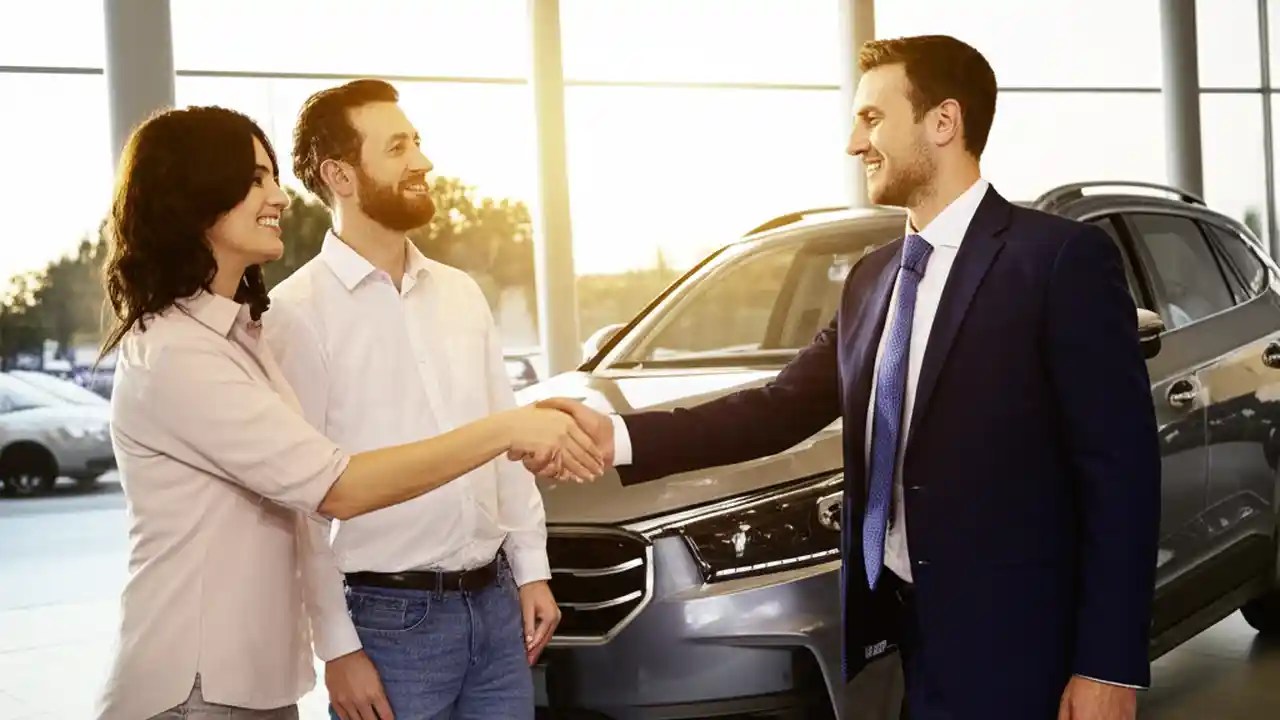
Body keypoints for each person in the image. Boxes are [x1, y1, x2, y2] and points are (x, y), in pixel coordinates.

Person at [532, 35, 1161, 720]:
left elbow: (1120, 476)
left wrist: (1107, 664)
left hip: (1022, 644)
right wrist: (616, 435)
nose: (854, 143)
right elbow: (776, 409)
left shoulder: (1059, 262)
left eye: (871, 119)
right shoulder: (872, 280)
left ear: (943, 122)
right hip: (903, 636)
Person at [94, 105, 602, 720]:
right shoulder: (180, 353)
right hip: (194, 686)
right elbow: (334, 488)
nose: (278, 195)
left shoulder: (236, 336)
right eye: (255, 179)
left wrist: (527, 564)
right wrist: (508, 429)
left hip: (252, 681)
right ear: (195, 194)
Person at [263, 79, 559, 720]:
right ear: (339, 174)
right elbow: (301, 504)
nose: (421, 161)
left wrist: (531, 566)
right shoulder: (295, 315)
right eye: (397, 147)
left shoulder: (460, 294)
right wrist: (338, 649)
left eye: (417, 143)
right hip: (389, 627)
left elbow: (503, 439)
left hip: (496, 607)